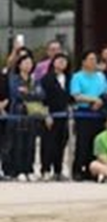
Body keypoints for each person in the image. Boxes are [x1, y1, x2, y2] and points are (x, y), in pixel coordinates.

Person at [70, 51, 107, 180]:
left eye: (95, 59)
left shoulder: (100, 76)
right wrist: (92, 100)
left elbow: (105, 91)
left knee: (97, 142)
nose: (93, 62)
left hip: (99, 112)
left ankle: (93, 169)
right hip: (84, 112)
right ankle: (78, 170)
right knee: (83, 142)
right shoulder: (77, 77)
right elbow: (76, 95)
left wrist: (99, 101)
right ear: (84, 61)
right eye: (90, 59)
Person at [6, 51, 45, 181]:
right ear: (19, 65)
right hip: (18, 113)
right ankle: (18, 170)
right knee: (18, 143)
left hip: (32, 114)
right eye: (25, 63)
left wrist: (28, 93)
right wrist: (30, 93)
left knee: (31, 143)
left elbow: (41, 95)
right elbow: (17, 94)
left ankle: (29, 168)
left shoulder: (35, 80)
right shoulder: (14, 79)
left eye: (30, 63)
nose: (28, 65)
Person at [39, 52, 72, 180]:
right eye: (59, 60)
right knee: (48, 143)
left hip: (64, 116)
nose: (62, 63)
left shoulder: (68, 78)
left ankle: (58, 170)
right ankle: (45, 169)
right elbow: (43, 99)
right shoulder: (46, 79)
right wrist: (46, 115)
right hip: (50, 114)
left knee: (61, 143)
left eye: (64, 61)